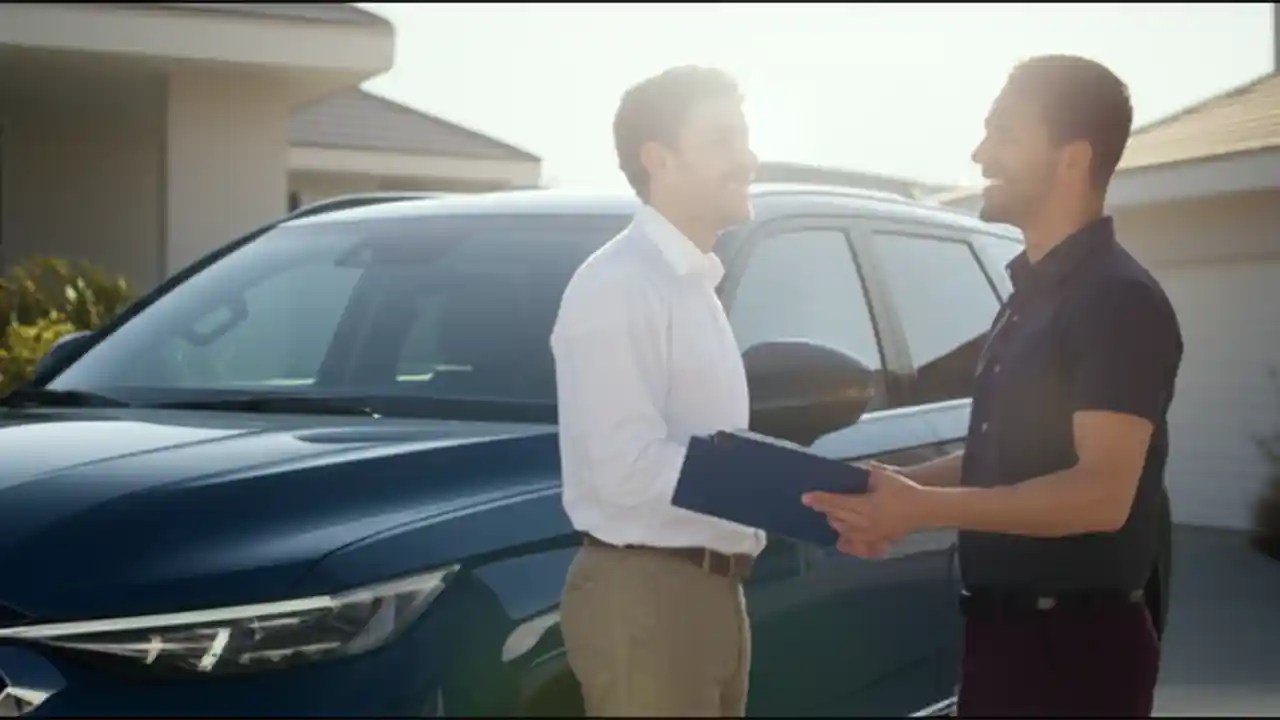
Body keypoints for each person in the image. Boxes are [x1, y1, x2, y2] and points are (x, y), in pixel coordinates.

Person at [803, 55, 1183, 718]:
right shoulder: (1027, 298)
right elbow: (1005, 457)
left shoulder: (1118, 301)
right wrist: (895, 485)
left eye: (1004, 133)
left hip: (1076, 661)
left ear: (1072, 159)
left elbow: (1100, 495)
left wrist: (920, 509)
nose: (980, 154)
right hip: (1002, 643)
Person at [550, 65, 763, 717]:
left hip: (708, 596)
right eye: (723, 140)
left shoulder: (690, 282)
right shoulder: (620, 284)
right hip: (648, 598)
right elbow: (624, 468)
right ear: (658, 159)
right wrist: (773, 487)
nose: (748, 159)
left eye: (745, 137)